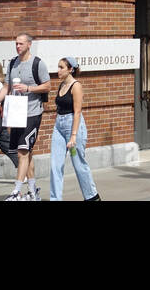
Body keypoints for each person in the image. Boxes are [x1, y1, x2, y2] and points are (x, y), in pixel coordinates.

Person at [0, 32, 53, 201]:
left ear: (29, 45)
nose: (18, 46)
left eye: (21, 44)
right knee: (27, 153)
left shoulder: (38, 64)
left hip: (32, 112)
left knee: (22, 152)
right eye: (16, 44)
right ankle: (33, 191)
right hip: (16, 114)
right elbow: (6, 88)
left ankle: (16, 191)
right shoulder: (12, 63)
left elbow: (47, 86)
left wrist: (28, 88)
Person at [50, 57, 101, 201]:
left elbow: (77, 111)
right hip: (59, 126)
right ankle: (55, 198)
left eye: (61, 67)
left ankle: (92, 196)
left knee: (78, 163)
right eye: (58, 67)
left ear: (70, 69)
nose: (58, 70)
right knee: (55, 165)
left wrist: (73, 136)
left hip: (74, 126)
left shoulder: (76, 86)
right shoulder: (61, 85)